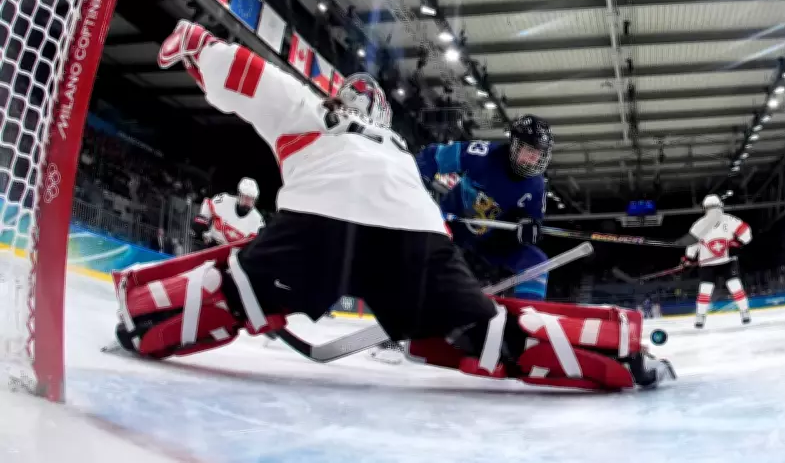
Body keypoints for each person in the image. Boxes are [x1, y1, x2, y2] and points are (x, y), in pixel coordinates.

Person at [109, 20, 673, 391]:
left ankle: (140, 321)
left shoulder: (319, 114)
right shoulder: (397, 148)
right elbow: (427, 198)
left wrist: (196, 47)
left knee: (234, 290)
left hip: (319, 225)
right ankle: (624, 358)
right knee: (488, 333)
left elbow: (256, 81)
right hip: (415, 236)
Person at [415, 115, 551, 300]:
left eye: (538, 154)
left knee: (537, 262)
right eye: (529, 150)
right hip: (449, 230)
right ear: (514, 145)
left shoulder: (537, 186)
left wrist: (527, 230)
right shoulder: (481, 154)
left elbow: (532, 224)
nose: (533, 158)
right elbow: (432, 157)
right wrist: (417, 184)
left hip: (488, 245)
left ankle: (527, 317)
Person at [683, 194, 752, 328]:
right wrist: (689, 258)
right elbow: (692, 244)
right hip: (710, 263)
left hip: (725, 260)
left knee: (732, 286)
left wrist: (737, 243)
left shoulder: (725, 221)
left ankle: (743, 311)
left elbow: (745, 233)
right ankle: (743, 312)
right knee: (709, 289)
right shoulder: (703, 224)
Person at [191, 178, 265, 247]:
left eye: (252, 199)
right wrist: (202, 225)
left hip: (232, 256)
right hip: (209, 244)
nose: (248, 202)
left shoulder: (258, 221)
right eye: (246, 198)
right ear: (239, 195)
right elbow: (208, 205)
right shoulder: (224, 200)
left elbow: (255, 246)